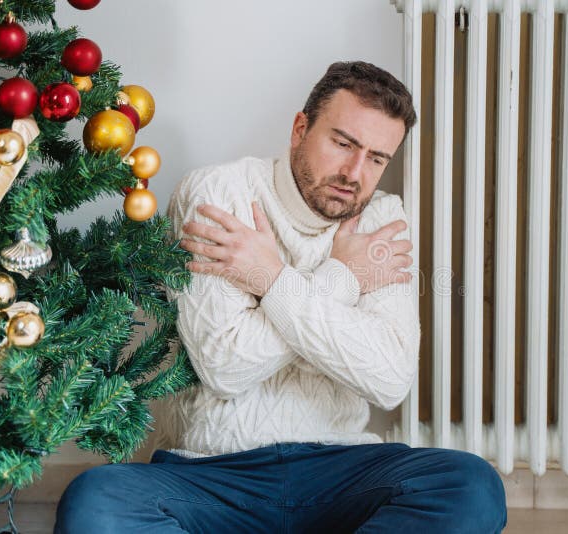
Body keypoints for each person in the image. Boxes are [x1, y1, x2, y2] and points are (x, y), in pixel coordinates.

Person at [54, 61, 507, 533]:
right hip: (210, 476)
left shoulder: (382, 220)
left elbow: (390, 379)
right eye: (343, 143)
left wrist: (269, 278)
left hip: (343, 472)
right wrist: (341, 278)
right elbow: (225, 366)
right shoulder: (218, 193)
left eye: (377, 158)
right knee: (96, 502)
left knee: (470, 486)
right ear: (300, 128)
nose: (355, 173)